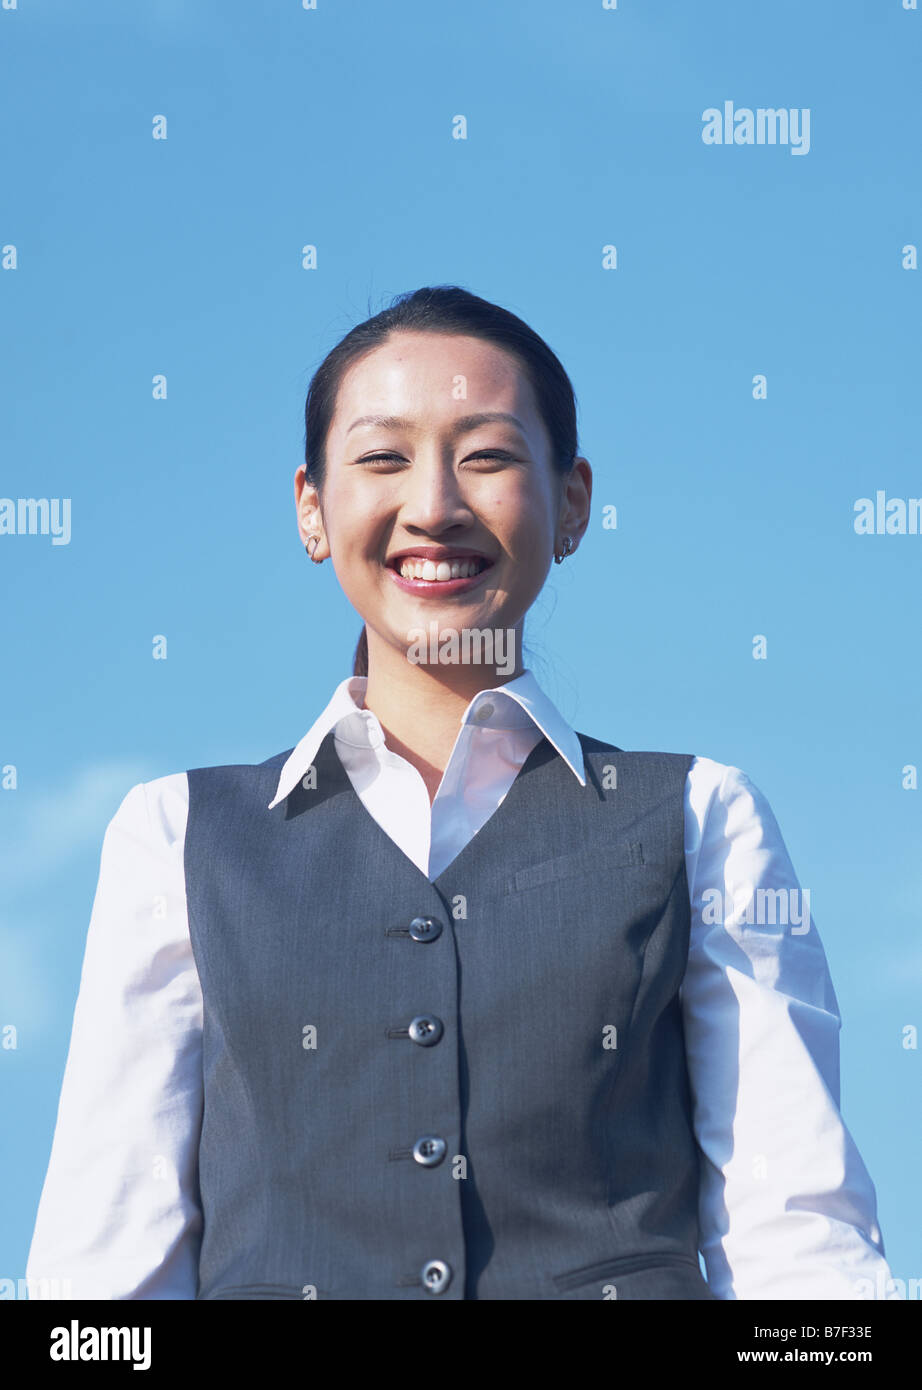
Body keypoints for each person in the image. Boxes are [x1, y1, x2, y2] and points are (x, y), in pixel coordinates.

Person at [26, 285, 893, 1301]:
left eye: (484, 455)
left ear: (571, 503)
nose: (433, 505)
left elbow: (801, 1244)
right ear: (312, 508)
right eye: (382, 458)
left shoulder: (703, 819)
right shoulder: (174, 836)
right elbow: (104, 1276)